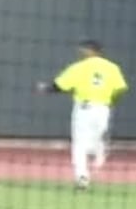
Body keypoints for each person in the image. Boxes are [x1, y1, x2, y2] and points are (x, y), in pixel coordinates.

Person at [36, 39, 128, 191]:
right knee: (93, 139)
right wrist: (112, 101)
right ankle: (99, 152)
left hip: (84, 110)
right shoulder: (112, 68)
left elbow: (60, 85)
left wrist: (45, 88)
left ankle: (83, 176)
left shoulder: (80, 67)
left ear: (92, 51)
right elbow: (120, 89)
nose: (81, 52)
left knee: (80, 144)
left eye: (84, 49)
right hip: (103, 109)